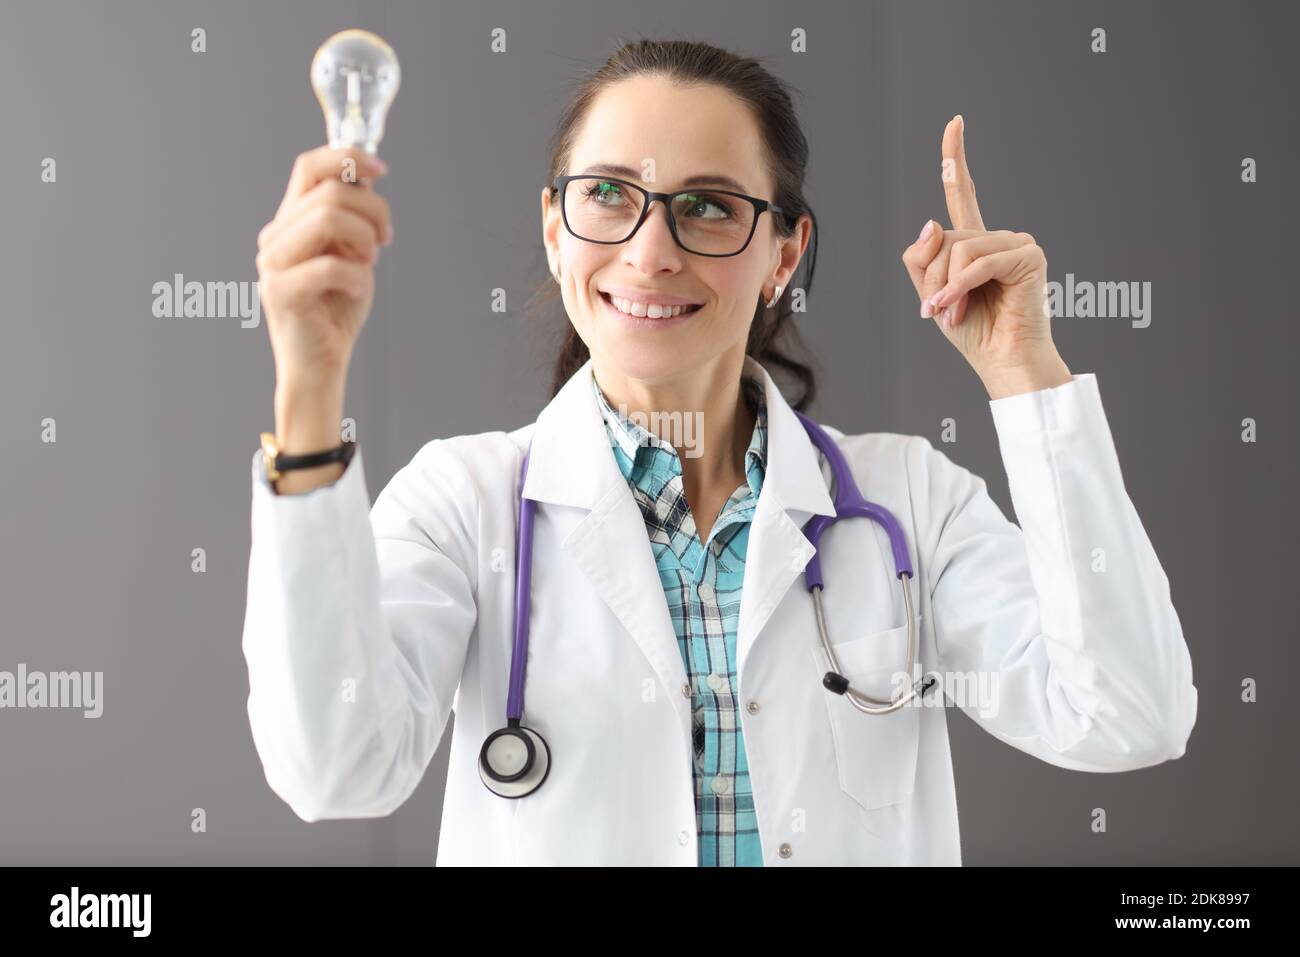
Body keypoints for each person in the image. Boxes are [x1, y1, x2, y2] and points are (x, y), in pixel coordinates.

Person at [242, 39, 1197, 866]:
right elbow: (335, 766)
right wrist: (311, 387)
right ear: (553, 227)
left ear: (784, 253)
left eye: (706, 206)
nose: (651, 252)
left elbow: (1124, 712)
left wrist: (1026, 372)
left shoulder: (912, 503)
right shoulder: (464, 504)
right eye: (609, 194)